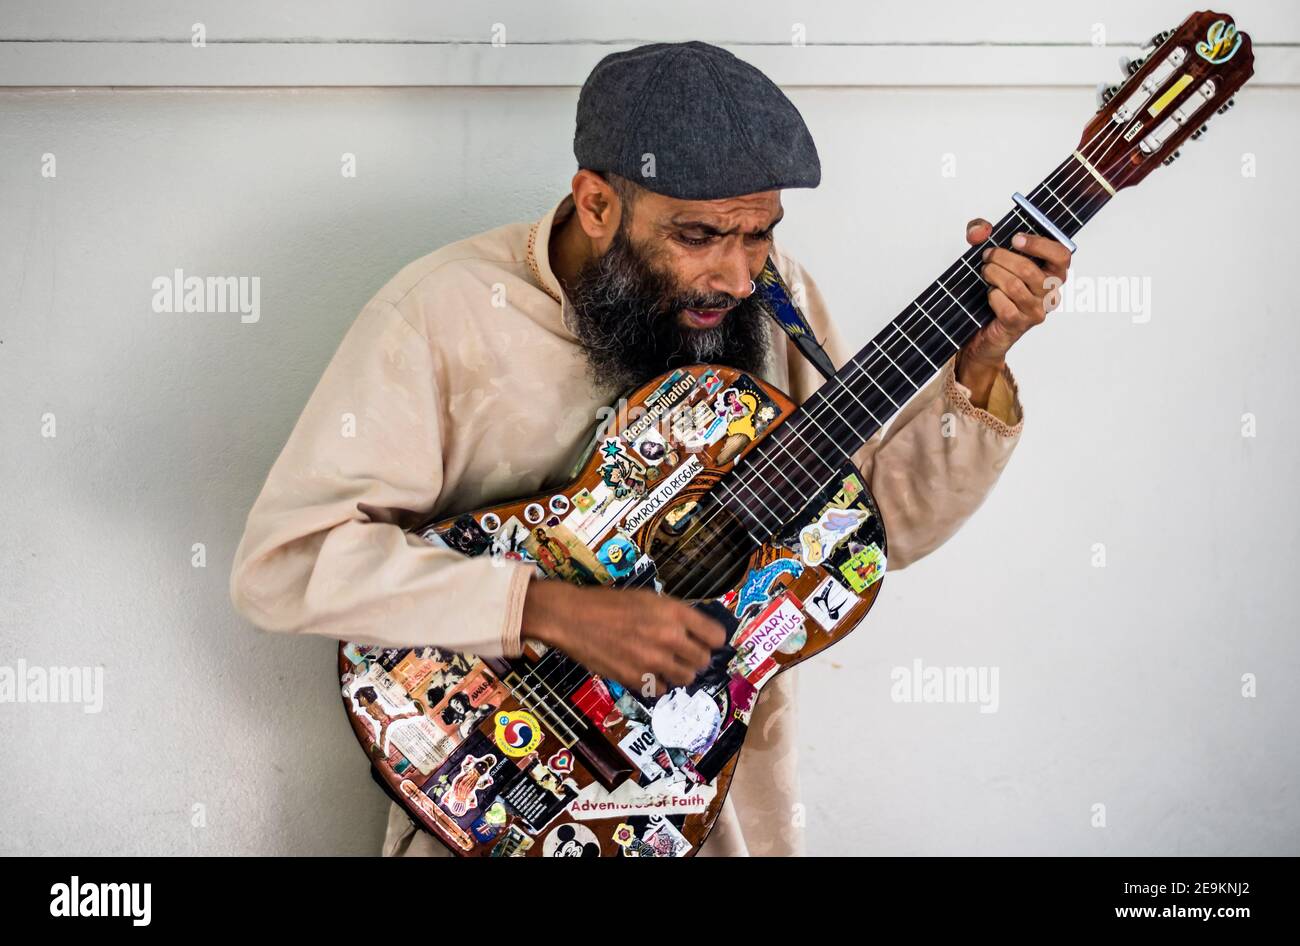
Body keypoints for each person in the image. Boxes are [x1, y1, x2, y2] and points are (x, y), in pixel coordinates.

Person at [230, 41, 1070, 857]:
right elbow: (286, 564)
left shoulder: (773, 299)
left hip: (723, 815)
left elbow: (869, 536)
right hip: (495, 805)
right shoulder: (443, 315)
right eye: (699, 235)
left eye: (759, 233)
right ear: (597, 204)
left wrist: (980, 362)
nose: (737, 275)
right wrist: (547, 609)